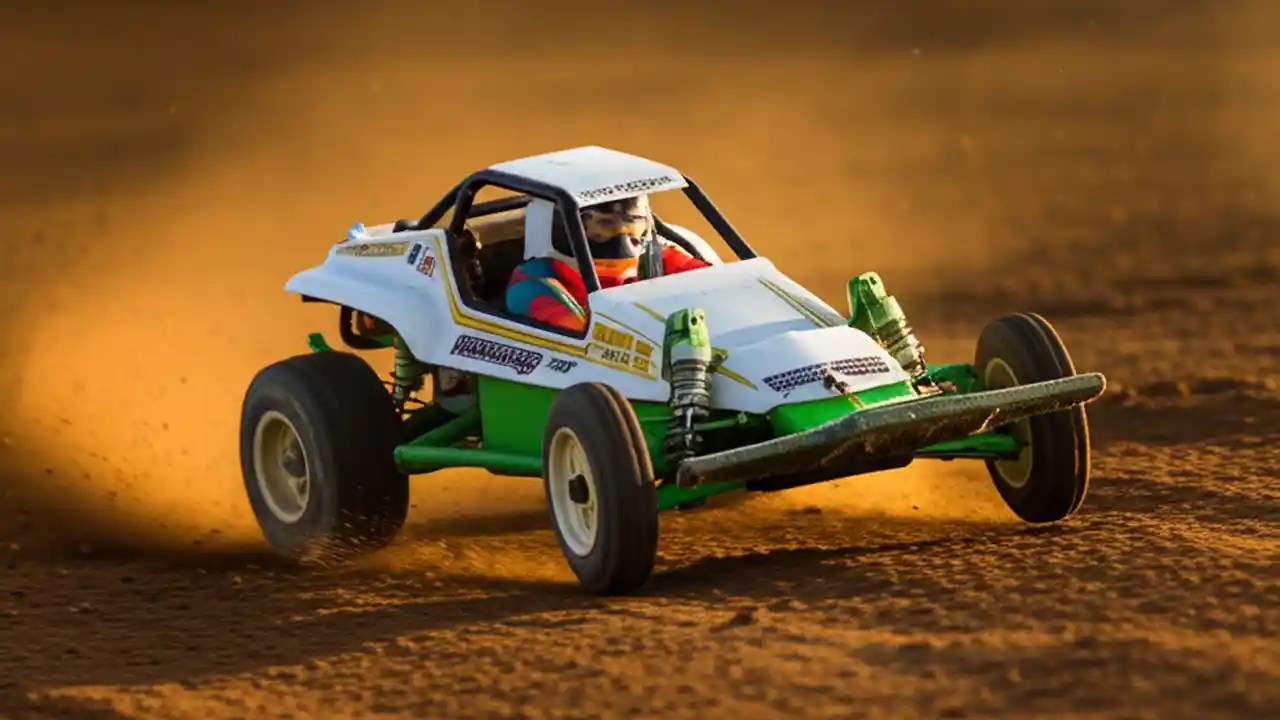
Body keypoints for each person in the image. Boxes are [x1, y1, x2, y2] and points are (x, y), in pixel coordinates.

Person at [505, 195, 707, 332]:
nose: (621, 237)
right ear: (562, 230)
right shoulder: (533, 283)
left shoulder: (659, 257)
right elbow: (592, 338)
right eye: (605, 225)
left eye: (631, 222)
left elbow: (714, 286)